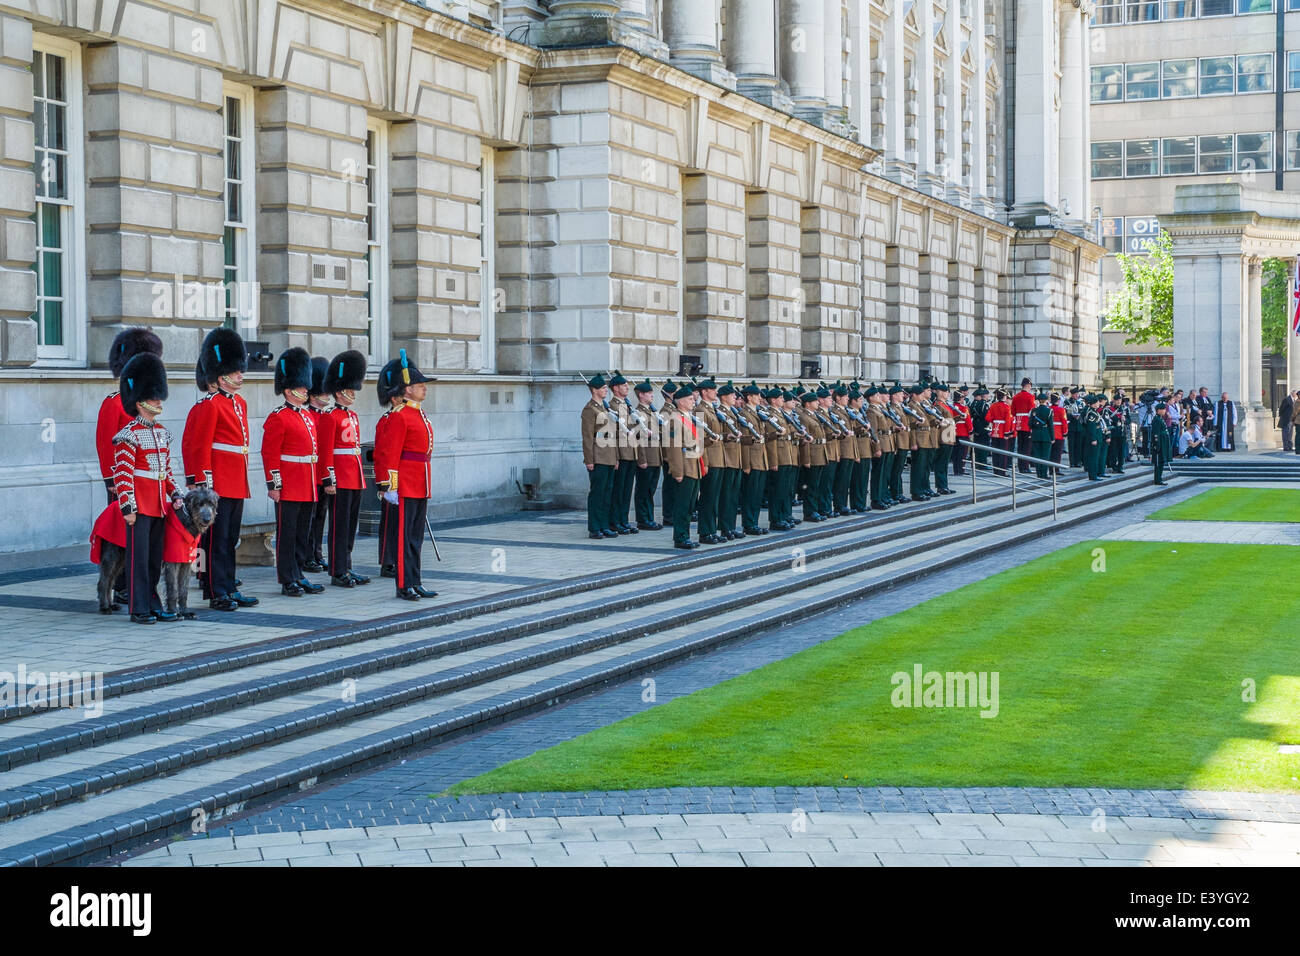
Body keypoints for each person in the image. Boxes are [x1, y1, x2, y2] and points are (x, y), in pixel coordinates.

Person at [184, 328, 258, 611]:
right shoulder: (209, 406)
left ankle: (229, 586)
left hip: (236, 480)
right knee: (215, 540)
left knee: (229, 538)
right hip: (216, 484)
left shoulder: (239, 403)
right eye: (235, 371)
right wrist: (202, 484)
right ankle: (217, 592)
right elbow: (198, 446)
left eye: (240, 370)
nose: (240, 375)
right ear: (219, 375)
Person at [112, 352, 184, 624]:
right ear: (140, 402)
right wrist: (128, 506)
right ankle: (138, 606)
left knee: (155, 559)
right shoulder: (128, 435)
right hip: (139, 505)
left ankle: (153, 603)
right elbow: (123, 474)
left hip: (158, 506)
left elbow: (165, 471)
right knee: (138, 560)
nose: (158, 401)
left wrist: (175, 494)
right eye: (153, 397)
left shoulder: (162, 433)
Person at [97, 327, 163, 608]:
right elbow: (104, 444)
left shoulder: (143, 407)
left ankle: (135, 586)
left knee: (142, 541)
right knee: (119, 538)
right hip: (123, 481)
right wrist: (112, 479)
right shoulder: (114, 403)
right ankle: (120, 586)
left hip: (146, 484)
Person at [373, 349, 437, 600]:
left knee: (414, 538)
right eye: (419, 385)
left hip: (421, 481)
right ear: (407, 389)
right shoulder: (400, 416)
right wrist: (390, 485)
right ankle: (403, 584)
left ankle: (415, 580)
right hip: (406, 483)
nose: (424, 389)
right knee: (402, 538)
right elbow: (390, 453)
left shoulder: (419, 413)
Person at [261, 348, 324, 597]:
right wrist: (274, 485)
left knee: (302, 533)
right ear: (288, 390)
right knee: (287, 534)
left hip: (307, 482)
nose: (306, 390)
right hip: (289, 484)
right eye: (300, 387)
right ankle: (288, 578)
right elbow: (270, 454)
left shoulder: (307, 416)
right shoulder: (278, 417)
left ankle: (299, 572)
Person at [319, 350, 370, 588]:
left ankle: (347, 566)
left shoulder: (354, 416)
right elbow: (326, 452)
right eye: (349, 391)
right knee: (339, 527)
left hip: (354, 476)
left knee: (350, 527)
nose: (352, 394)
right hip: (340, 477)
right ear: (339, 392)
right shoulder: (330, 417)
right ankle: (337, 570)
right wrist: (328, 480)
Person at [662, 382, 703, 549]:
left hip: (694, 466)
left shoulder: (688, 418)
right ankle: (680, 537)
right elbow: (674, 448)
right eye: (690, 399)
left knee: (689, 505)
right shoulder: (675, 420)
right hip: (685, 468)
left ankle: (685, 535)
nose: (693, 401)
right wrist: (677, 471)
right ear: (680, 401)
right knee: (682, 505)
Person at [374, 361, 404, 577]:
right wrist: (385, 484)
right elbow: (382, 454)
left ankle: (400, 558)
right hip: (392, 478)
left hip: (409, 476)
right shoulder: (387, 420)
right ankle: (388, 561)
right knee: (390, 522)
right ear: (394, 398)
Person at [303, 356, 332, 573]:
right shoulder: (307, 416)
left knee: (321, 516)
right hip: (310, 475)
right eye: (324, 391)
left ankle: (316, 553)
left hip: (322, 475)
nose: (327, 395)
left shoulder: (325, 416)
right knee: (310, 518)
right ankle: (307, 555)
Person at [580, 372, 618, 539]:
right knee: (597, 493)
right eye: (603, 388)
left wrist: (615, 457)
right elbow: (587, 437)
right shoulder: (590, 410)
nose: (605, 390)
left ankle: (604, 525)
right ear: (594, 390)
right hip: (598, 456)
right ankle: (594, 527)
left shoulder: (605, 408)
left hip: (609, 456)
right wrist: (589, 460)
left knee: (607, 493)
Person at [606, 371, 639, 535]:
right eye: (624, 385)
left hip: (631, 452)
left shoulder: (628, 405)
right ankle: (615, 521)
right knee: (618, 490)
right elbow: (612, 434)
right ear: (615, 388)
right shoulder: (612, 406)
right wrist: (616, 457)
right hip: (621, 453)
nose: (628, 387)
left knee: (627, 491)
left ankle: (624, 520)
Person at [632, 380, 664, 530]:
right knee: (643, 490)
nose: (652, 395)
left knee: (651, 489)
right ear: (641, 395)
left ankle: (649, 517)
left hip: (656, 456)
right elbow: (637, 438)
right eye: (649, 393)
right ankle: (643, 519)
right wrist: (641, 458)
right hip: (646, 457)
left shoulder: (652, 412)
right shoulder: (637, 413)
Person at [986, 388, 1013, 477]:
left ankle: (996, 471)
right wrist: (1006, 433)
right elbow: (1008, 420)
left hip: (995, 431)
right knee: (1003, 452)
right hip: (1002, 432)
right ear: (1004, 397)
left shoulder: (993, 405)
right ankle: (1002, 471)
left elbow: (987, 418)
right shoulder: (1006, 406)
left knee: (995, 452)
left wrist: (995, 420)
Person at [1010, 377, 1035, 472]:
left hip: (1018, 423)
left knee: (1020, 446)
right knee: (1027, 447)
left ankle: (1021, 466)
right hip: (1027, 423)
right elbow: (1032, 411)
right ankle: (1025, 466)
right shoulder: (1030, 397)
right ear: (1028, 386)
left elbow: (1012, 411)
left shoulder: (1016, 396)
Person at [1082, 394, 1107, 481]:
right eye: (1096, 403)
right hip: (1094, 437)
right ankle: (1092, 475)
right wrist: (1093, 439)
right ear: (1093, 404)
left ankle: (1095, 474)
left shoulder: (1095, 412)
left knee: (1096, 457)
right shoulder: (1091, 413)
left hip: (1098, 435)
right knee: (1093, 458)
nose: (1098, 404)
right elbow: (1091, 427)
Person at [1029, 392, 1054, 478]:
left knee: (1037, 455)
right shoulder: (1049, 411)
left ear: (1038, 401)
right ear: (1046, 401)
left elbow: (1030, 424)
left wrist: (1037, 426)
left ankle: (1038, 473)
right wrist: (1052, 437)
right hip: (1046, 435)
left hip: (1036, 435)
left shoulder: (1033, 411)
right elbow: (1050, 425)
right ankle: (1044, 473)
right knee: (1045, 455)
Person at [968, 385, 992, 472]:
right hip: (983, 428)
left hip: (976, 426)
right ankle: (982, 463)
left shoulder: (976, 404)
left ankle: (978, 463)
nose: (988, 396)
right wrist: (986, 426)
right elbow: (986, 418)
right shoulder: (984, 404)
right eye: (988, 395)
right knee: (983, 446)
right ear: (984, 395)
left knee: (978, 446)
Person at [950, 385, 972, 476]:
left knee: (955, 452)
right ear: (960, 398)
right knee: (962, 452)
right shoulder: (963, 408)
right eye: (963, 398)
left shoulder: (951, 407)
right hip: (963, 432)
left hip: (954, 432)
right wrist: (971, 430)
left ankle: (956, 469)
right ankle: (961, 469)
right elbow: (968, 420)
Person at [1150, 401, 1173, 485]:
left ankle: (1159, 478)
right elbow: (1156, 434)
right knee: (1159, 462)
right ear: (1158, 410)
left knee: (1162, 461)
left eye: (1164, 409)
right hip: (1160, 444)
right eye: (1162, 409)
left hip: (1164, 443)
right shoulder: (1156, 419)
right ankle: (1158, 479)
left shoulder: (1160, 419)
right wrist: (1157, 445)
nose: (1164, 411)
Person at [1049, 392, 1067, 464]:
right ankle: (1056, 469)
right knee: (1057, 452)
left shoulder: (1049, 409)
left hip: (1050, 433)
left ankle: (1050, 469)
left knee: (1051, 452)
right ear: (1058, 401)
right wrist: (1065, 433)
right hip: (1059, 433)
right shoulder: (1061, 410)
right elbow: (1064, 422)